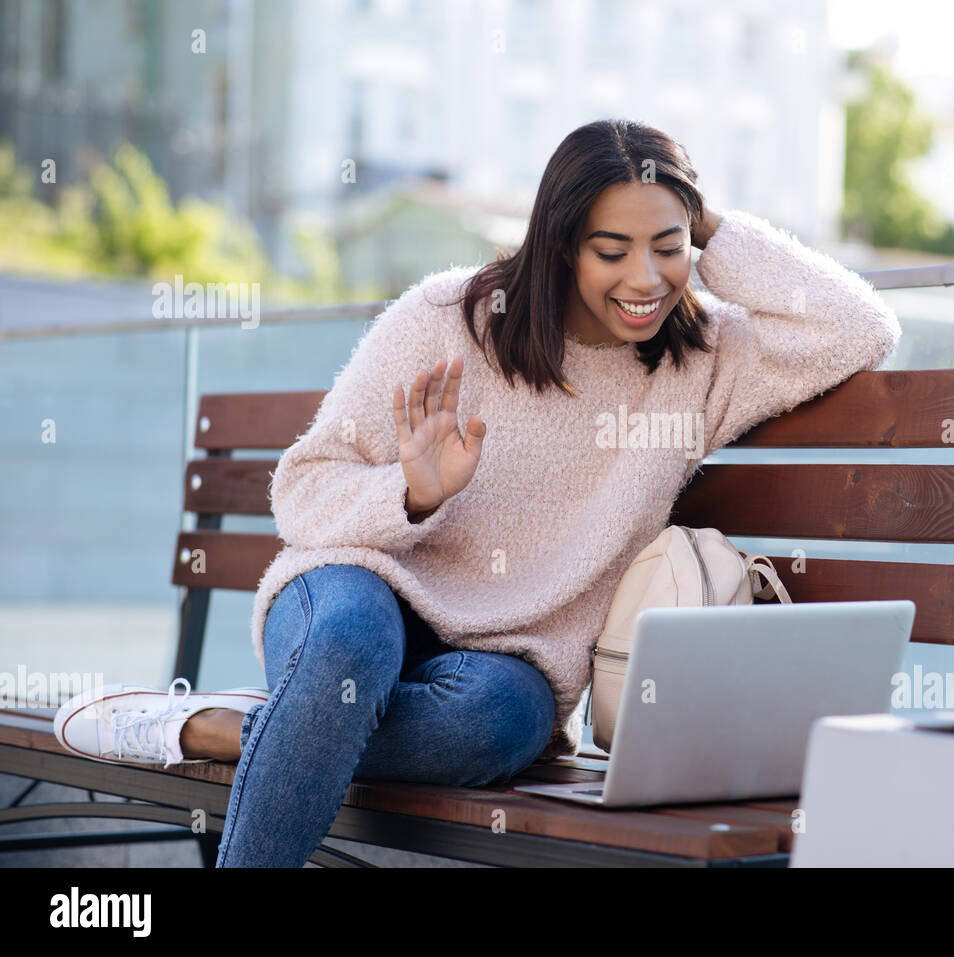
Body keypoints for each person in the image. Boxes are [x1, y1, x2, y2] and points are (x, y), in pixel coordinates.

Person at [54, 118, 902, 867]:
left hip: (507, 662)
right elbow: (304, 491)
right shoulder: (447, 318)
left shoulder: (705, 361)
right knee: (347, 650)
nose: (645, 279)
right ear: (561, 242)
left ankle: (211, 728)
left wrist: (704, 220)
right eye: (612, 250)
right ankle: (299, 716)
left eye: (669, 245)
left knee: (494, 727)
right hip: (363, 584)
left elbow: (858, 327)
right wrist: (411, 494)